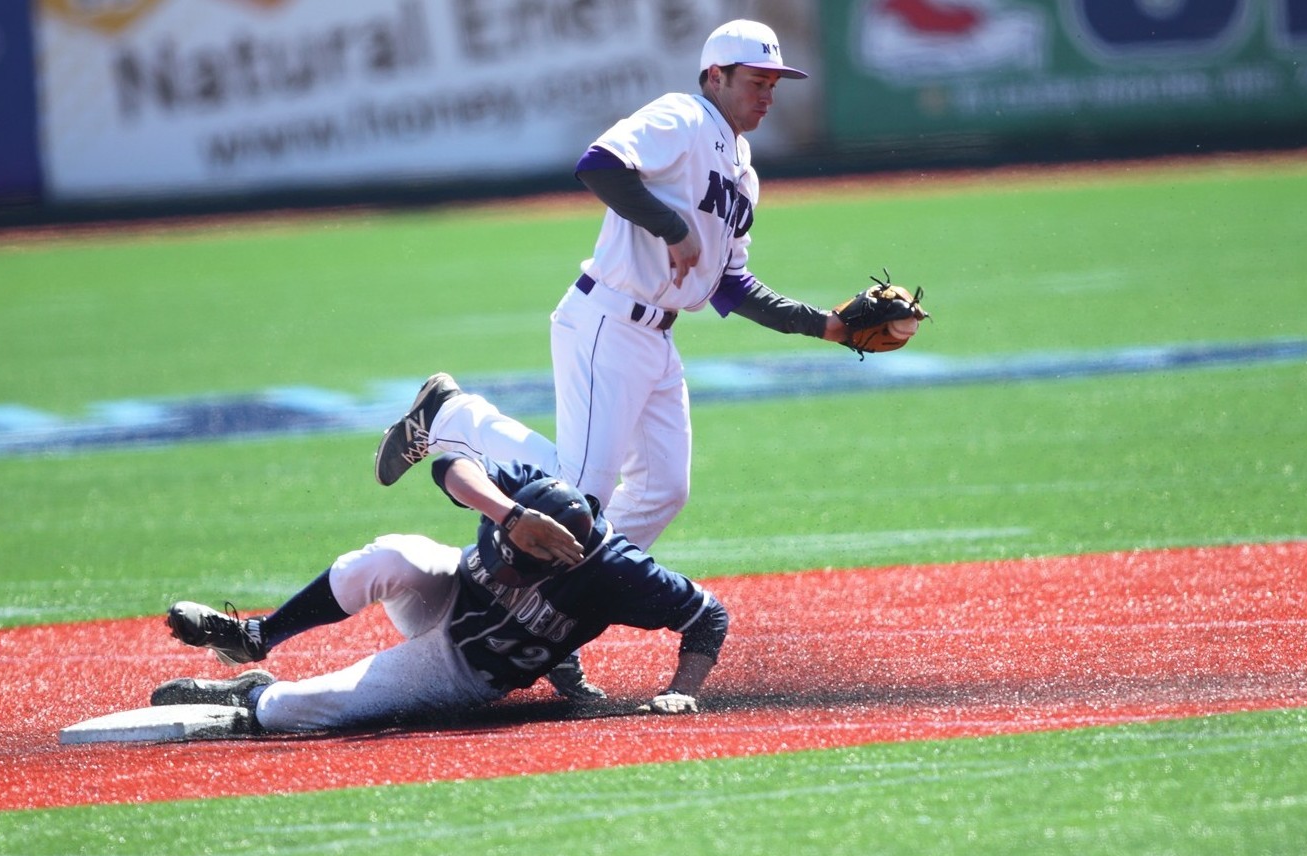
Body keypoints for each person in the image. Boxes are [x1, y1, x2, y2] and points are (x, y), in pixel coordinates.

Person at [375, 20, 856, 553]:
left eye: (774, 84)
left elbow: (729, 285)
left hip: (657, 340)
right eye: (756, 81)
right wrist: (672, 230)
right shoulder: (684, 117)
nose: (768, 95)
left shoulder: (743, 172)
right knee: (580, 487)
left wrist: (826, 326)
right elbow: (599, 165)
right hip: (609, 320)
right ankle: (451, 415)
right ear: (716, 76)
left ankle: (573, 581)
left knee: (662, 491)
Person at [151, 452, 729, 733]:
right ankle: (257, 637)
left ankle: (253, 698)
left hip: (469, 666)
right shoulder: (528, 491)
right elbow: (449, 465)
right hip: (449, 592)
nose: (503, 569)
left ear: (564, 560)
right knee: (392, 555)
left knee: (297, 711)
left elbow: (708, 616)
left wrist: (681, 690)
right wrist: (508, 513)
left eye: (520, 568)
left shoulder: (617, 572)